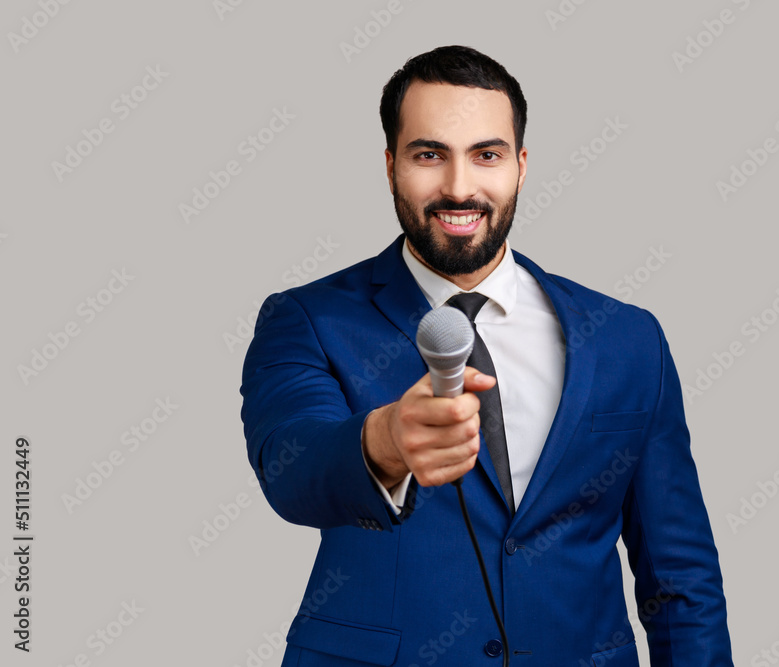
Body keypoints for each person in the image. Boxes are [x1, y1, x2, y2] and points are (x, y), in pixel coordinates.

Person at [241, 44, 734, 667]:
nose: (459, 187)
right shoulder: (306, 318)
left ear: (521, 167)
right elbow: (291, 467)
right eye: (429, 155)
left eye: (487, 155)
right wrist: (386, 440)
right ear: (391, 165)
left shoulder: (628, 339)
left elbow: (680, 576)